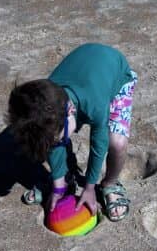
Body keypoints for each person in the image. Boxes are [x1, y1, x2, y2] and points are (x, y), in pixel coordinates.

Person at [7, 43, 137, 222]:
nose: (55, 144)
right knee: (47, 139)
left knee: (117, 143)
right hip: (86, 68)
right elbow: (51, 142)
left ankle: (111, 184)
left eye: (56, 140)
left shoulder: (96, 105)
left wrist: (90, 187)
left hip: (116, 75)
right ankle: (66, 178)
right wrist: (58, 184)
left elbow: (99, 145)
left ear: (69, 112)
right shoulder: (49, 98)